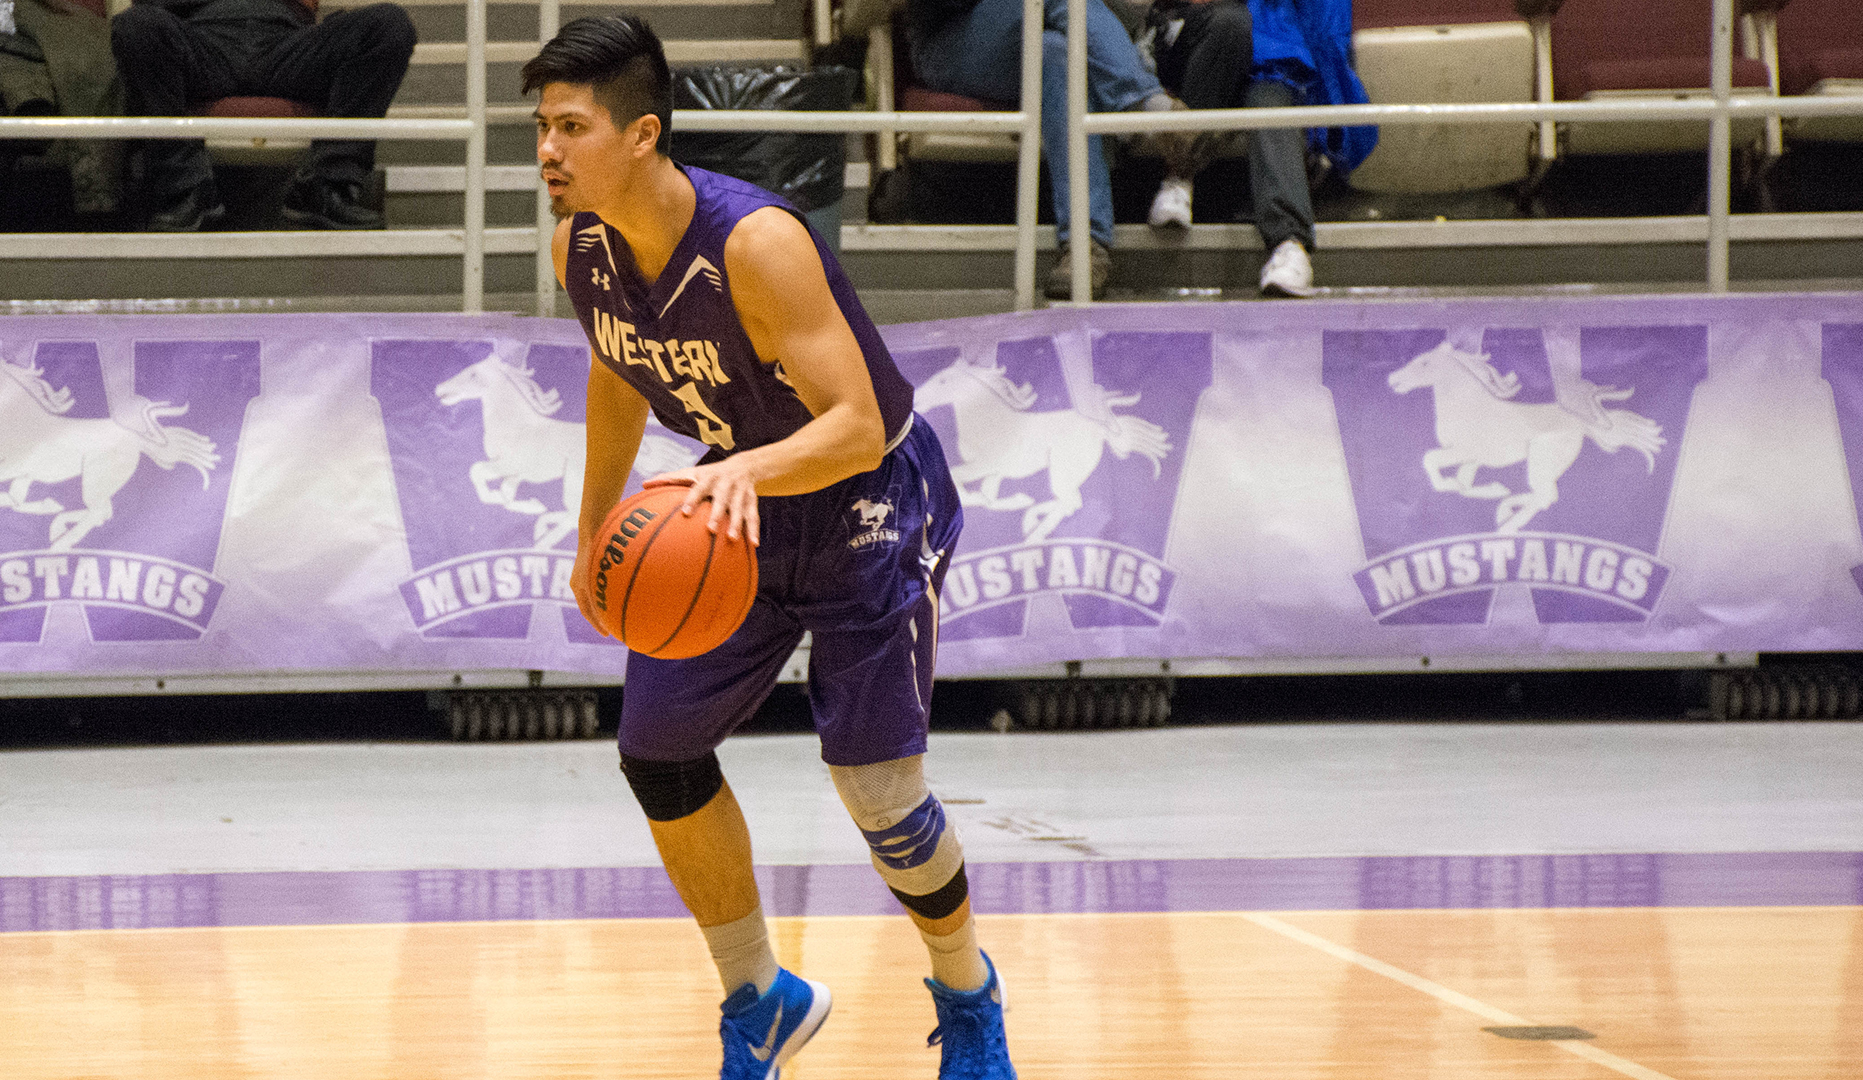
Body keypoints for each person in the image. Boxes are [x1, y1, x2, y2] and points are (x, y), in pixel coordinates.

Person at [523, 16, 1015, 1080]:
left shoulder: (758, 243)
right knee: (656, 753)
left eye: (572, 126)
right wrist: (595, 531)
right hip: (730, 507)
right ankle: (761, 998)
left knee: (878, 790)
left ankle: (968, 996)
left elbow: (856, 422)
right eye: (540, 127)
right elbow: (617, 373)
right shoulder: (581, 246)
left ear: (643, 133)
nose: (548, 150)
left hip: (862, 503)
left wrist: (743, 467)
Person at [906, 0, 1188, 300]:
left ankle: (1085, 247)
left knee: (1054, 52)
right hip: (949, 40)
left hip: (1039, 32)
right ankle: (1149, 108)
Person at [110, 0, 414, 231]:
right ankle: (187, 189)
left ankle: (325, 186)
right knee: (135, 26)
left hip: (284, 42)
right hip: (201, 39)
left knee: (389, 25)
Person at [1138, 0, 1317, 296]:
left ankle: (1290, 244)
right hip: (1199, 45)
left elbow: (1322, 24)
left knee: (1270, 101)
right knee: (1230, 22)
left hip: (1269, 63)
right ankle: (1180, 175)